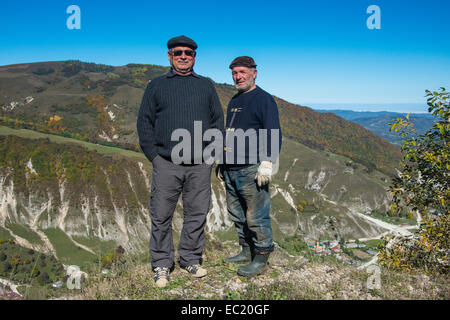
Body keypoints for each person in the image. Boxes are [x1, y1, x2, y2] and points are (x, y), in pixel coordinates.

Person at [137, 35, 224, 288]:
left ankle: (190, 259)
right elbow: (144, 122)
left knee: (197, 213)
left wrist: (210, 155)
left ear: (195, 56)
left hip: (199, 164)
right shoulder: (156, 85)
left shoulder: (206, 86)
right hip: (167, 162)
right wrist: (154, 156)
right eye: (178, 53)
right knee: (161, 214)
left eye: (188, 52)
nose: (183, 56)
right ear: (169, 56)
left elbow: (218, 121)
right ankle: (162, 264)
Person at [216, 56, 282, 277]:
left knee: (256, 216)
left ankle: (261, 259)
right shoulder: (235, 100)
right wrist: (221, 162)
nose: (238, 77)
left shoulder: (263, 99)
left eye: (243, 72)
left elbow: (272, 130)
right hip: (231, 168)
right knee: (237, 213)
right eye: (235, 73)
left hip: (251, 168)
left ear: (255, 73)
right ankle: (246, 251)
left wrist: (267, 162)